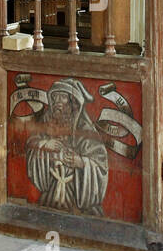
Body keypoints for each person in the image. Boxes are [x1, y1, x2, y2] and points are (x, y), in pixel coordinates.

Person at [24, 78, 109, 216]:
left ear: (73, 102)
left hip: (77, 196)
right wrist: (45, 145)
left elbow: (100, 163)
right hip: (52, 192)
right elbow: (31, 142)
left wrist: (81, 163)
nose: (57, 101)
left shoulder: (84, 128)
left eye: (63, 97)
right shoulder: (47, 120)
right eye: (55, 96)